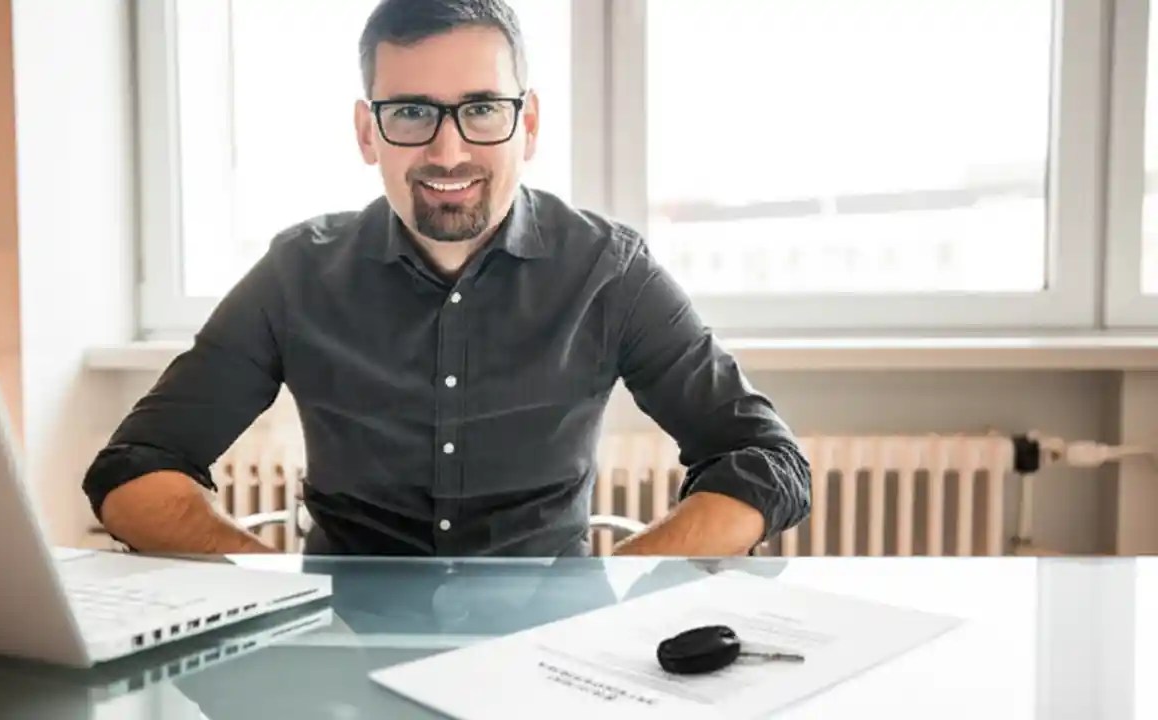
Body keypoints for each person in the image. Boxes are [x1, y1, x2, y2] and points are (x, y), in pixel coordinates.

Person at [83, 0, 811, 557]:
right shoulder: (296, 272)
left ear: (528, 124)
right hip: (341, 654)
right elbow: (132, 469)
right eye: (411, 113)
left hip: (546, 656)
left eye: (482, 110)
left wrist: (620, 595)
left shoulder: (609, 270)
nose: (449, 150)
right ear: (367, 132)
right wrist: (272, 601)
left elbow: (766, 459)